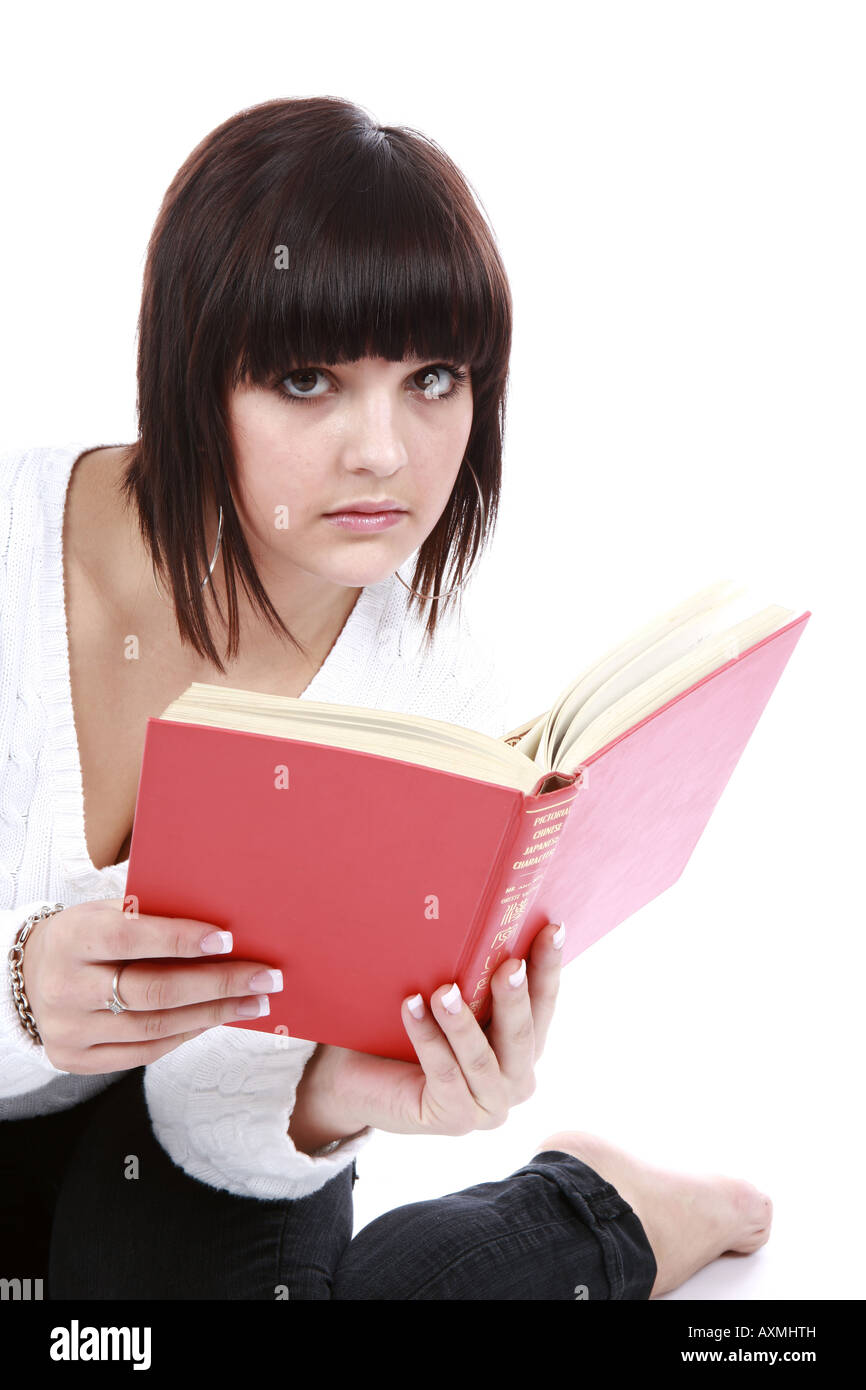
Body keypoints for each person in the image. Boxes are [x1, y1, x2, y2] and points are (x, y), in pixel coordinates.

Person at [0, 95, 772, 1300]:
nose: (382, 451)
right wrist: (17, 989)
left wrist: (341, 1093)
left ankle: (598, 1213)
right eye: (306, 379)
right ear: (191, 375)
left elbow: (212, 1116)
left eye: (431, 377)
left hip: (188, 1160)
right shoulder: (13, 552)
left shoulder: (435, 692)